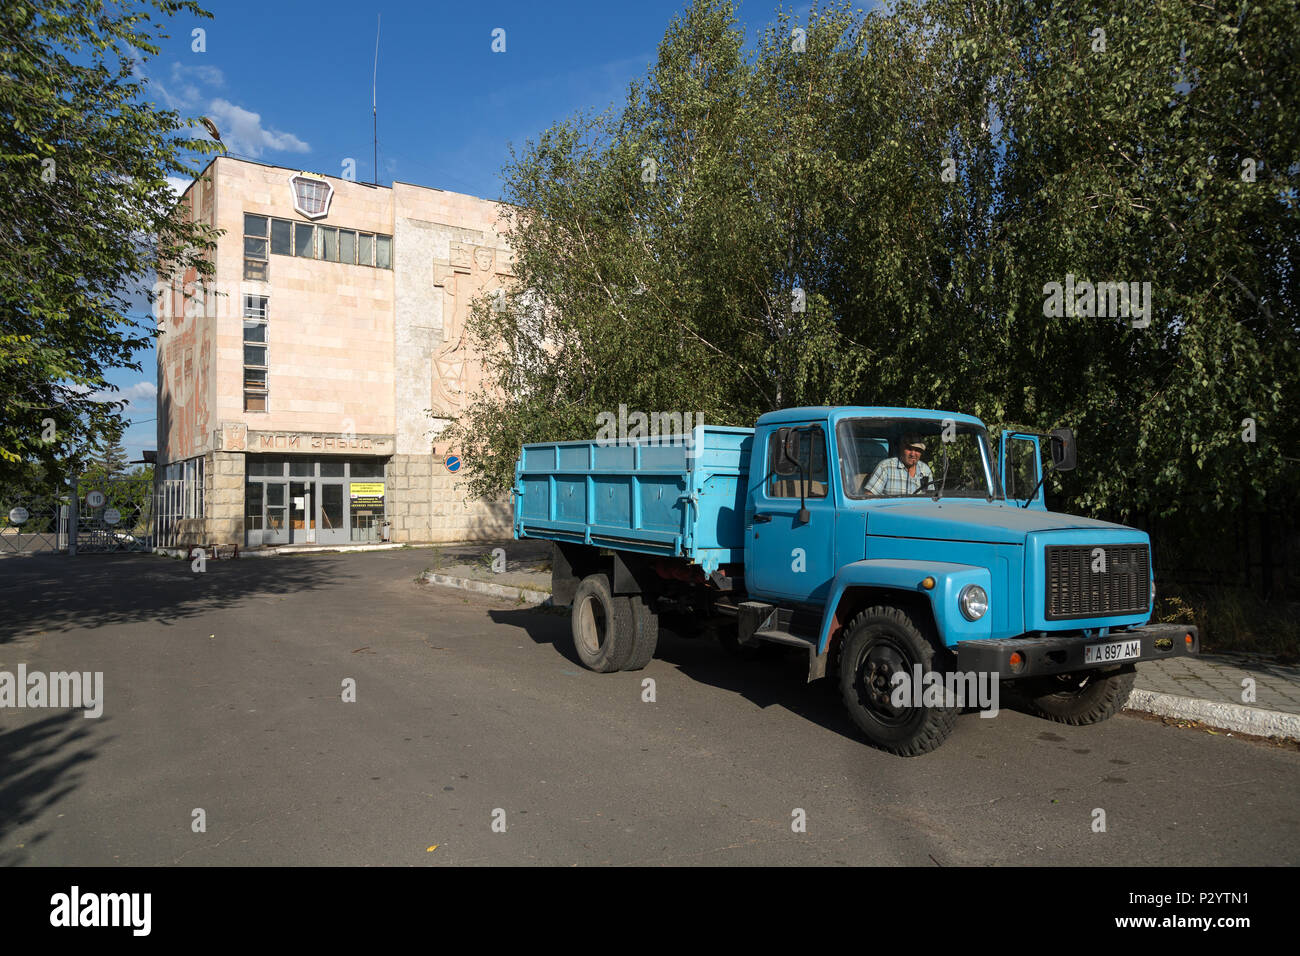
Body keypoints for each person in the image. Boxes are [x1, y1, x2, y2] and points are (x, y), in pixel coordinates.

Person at [863, 434, 933, 496]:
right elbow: (869, 496)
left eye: (917, 450)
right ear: (901, 448)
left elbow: (930, 497)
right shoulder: (886, 466)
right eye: (909, 449)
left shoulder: (925, 470)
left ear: (921, 452)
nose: (912, 454)